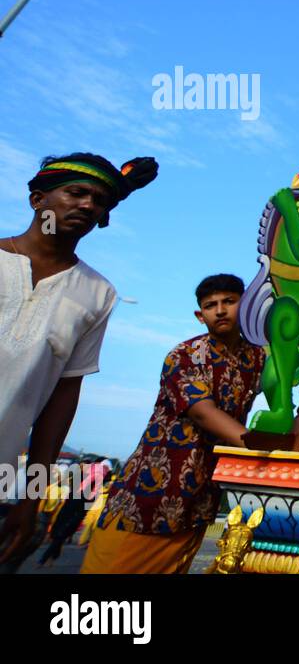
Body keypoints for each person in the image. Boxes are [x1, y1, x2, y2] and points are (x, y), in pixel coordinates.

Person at [0, 153, 157, 567]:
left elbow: (61, 399)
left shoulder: (97, 293)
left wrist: (31, 499)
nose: (88, 205)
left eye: (100, 199)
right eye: (75, 192)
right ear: (38, 200)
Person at [81, 274, 279, 574]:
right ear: (201, 316)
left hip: (200, 494)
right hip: (152, 492)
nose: (221, 310)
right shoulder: (185, 355)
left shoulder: (256, 359)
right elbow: (201, 412)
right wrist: (256, 445)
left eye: (229, 301)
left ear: (247, 305)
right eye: (211, 305)